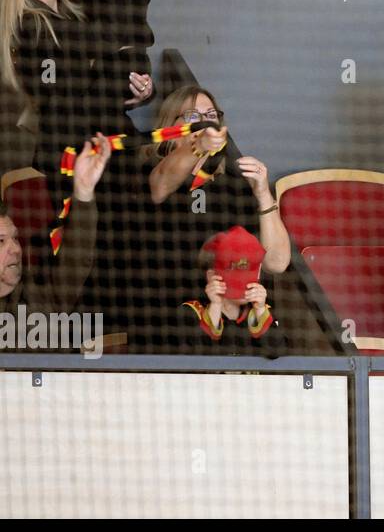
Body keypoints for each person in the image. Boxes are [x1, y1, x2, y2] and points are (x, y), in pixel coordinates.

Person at [137, 85, 291, 348]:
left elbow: (276, 262)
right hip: (170, 322)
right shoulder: (148, 171)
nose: (205, 123)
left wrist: (263, 194)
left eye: (211, 116)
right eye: (193, 116)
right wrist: (197, 147)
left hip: (234, 327)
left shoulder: (232, 183)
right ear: (169, 127)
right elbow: (160, 187)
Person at [0, 0, 151, 189]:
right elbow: (107, 40)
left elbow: (110, 63)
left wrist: (139, 91)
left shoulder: (74, 16)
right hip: (72, 163)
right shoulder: (31, 28)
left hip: (104, 156)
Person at [0, 134, 111, 317]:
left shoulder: (29, 296)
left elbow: (68, 278)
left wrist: (83, 192)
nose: (16, 249)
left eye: (15, 238)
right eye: (1, 241)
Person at [179, 226, 286, 355]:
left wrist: (260, 309)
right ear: (212, 276)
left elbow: (278, 353)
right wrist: (216, 306)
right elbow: (194, 356)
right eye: (236, 271)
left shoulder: (261, 311)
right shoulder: (192, 311)